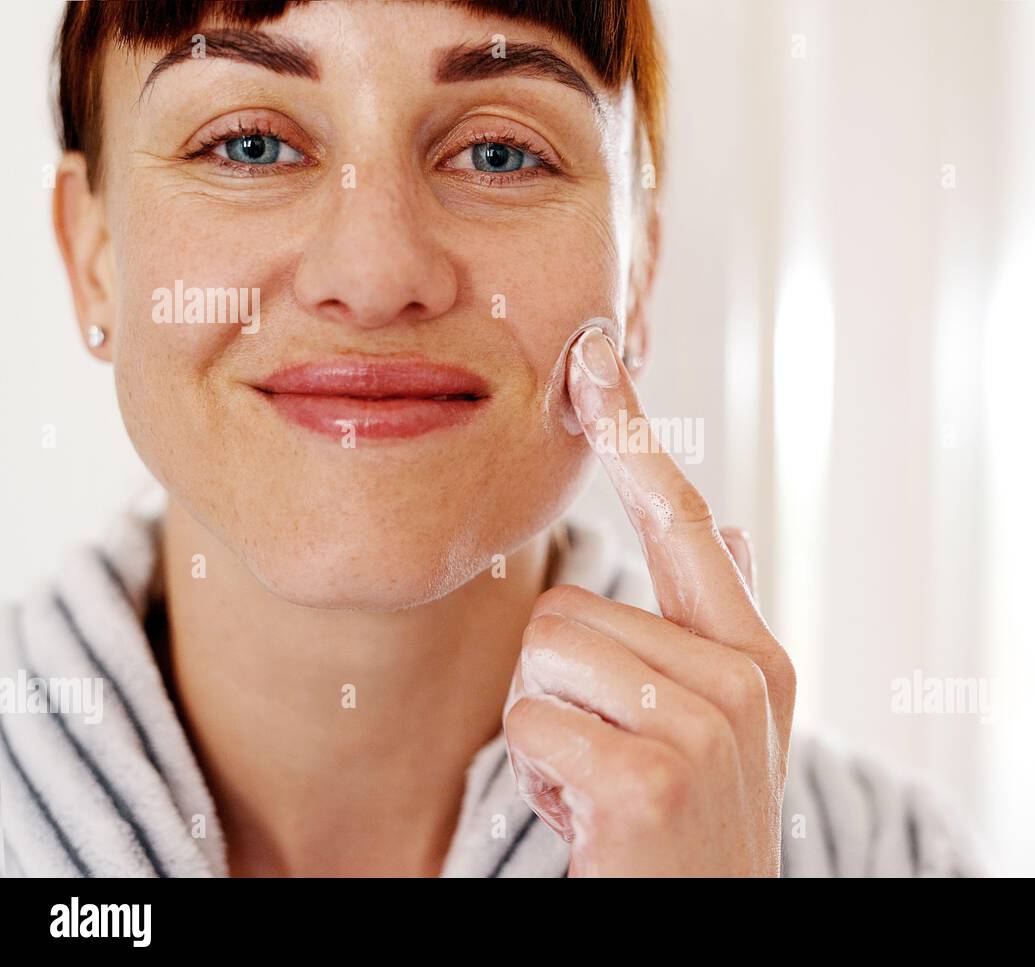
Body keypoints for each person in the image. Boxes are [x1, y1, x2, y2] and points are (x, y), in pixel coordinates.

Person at [0, 0, 982, 877]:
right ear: (91, 254)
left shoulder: (893, 857)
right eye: (251, 145)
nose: (377, 274)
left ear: (635, 274)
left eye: (499, 154)